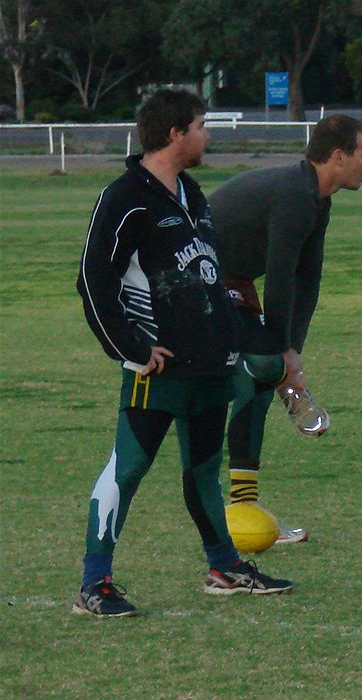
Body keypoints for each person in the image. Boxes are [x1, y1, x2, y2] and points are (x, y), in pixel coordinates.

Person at [75, 89, 293, 617]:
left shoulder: (192, 193)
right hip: (160, 368)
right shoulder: (125, 197)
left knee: (203, 471)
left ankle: (224, 567)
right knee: (127, 470)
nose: (207, 135)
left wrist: (233, 339)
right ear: (175, 133)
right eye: (201, 125)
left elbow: (207, 276)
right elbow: (92, 280)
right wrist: (128, 347)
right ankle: (93, 583)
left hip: (211, 366)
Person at [209, 114, 362, 542]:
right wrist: (282, 353)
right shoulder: (296, 196)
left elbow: (308, 277)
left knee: (265, 370)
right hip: (193, 280)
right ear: (338, 157)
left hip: (231, 282)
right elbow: (280, 277)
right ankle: (232, 512)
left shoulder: (316, 197)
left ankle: (242, 510)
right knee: (263, 364)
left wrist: (291, 351)